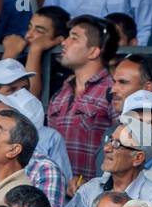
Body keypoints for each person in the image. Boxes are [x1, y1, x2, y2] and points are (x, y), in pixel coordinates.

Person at [46, 16, 116, 183]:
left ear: (94, 51)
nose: (64, 42)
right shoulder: (60, 94)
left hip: (97, 193)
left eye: (74, 38)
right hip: (59, 194)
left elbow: (123, 145)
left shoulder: (112, 90)